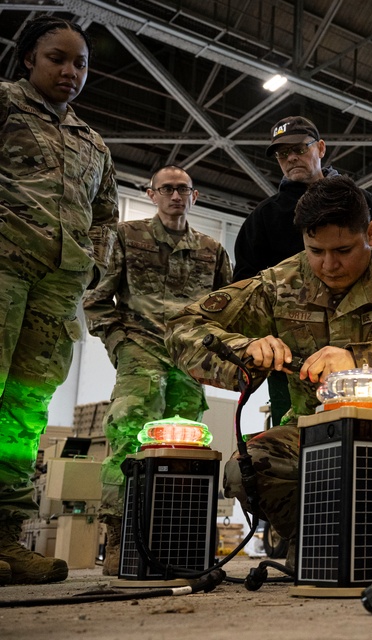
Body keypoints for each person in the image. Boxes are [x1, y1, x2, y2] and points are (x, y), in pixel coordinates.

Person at [167, 175, 372, 567]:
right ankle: (314, 539)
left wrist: (360, 359)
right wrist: (247, 348)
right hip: (315, 431)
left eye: (344, 250)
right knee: (245, 471)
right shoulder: (281, 283)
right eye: (316, 251)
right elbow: (182, 328)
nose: (329, 265)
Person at [0, 16, 118, 585]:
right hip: (2, 272)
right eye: (57, 58)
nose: (70, 71)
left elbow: (106, 215)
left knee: (23, 415)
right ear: (28, 58)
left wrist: (91, 264)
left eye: (81, 64)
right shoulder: (3, 105)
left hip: (56, 291)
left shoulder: (91, 141)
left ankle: (4, 537)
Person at [83, 165, 232, 575]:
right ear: (152, 194)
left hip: (188, 360)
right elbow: (96, 299)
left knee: (187, 448)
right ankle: (119, 538)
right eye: (167, 189)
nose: (175, 196)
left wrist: (212, 357)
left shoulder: (211, 249)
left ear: (195, 196)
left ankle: (178, 537)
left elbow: (225, 311)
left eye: (183, 189)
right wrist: (120, 345)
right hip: (141, 350)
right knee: (129, 436)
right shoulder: (126, 237)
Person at [233, 115, 372, 429]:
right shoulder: (262, 219)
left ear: (320, 148)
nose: (291, 157)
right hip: (294, 360)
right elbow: (246, 290)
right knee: (293, 445)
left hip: (362, 349)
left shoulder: (362, 204)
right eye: (282, 153)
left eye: (299, 148)